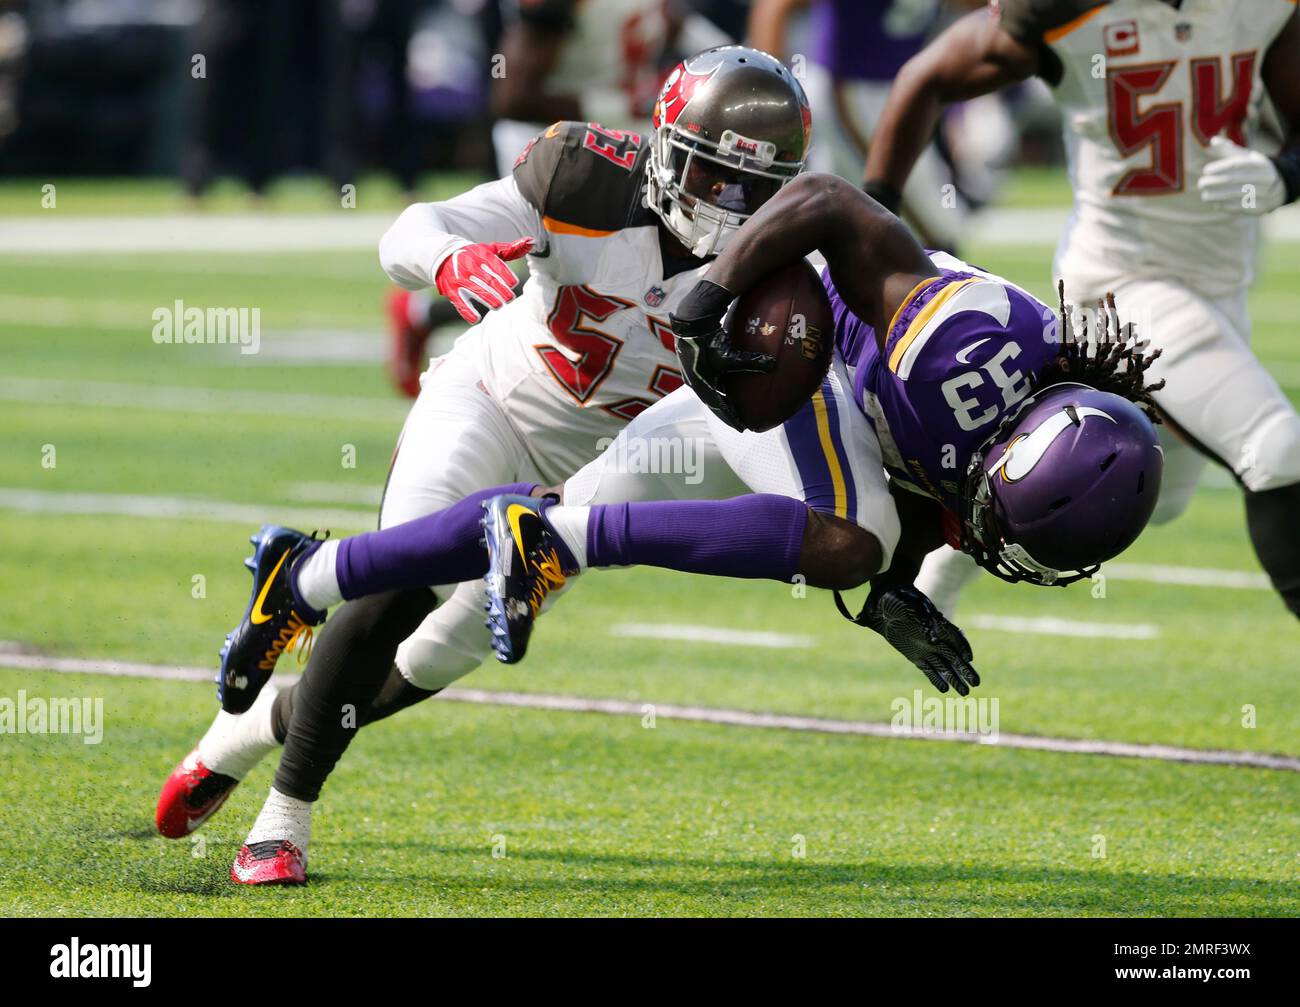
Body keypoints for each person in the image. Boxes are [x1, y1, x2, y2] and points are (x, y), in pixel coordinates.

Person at [180, 171, 1167, 883]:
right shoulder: (964, 342)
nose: (987, 540)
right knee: (843, 534)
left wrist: (888, 594)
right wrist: (714, 290)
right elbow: (831, 200)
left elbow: (922, 506)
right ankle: (509, 555)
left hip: (767, 426)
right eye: (999, 524)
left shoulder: (1010, 449)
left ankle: (293, 609)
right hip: (787, 352)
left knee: (459, 625)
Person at [155, 46, 814, 884]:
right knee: (399, 582)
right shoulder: (584, 179)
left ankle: (241, 737)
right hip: (493, 401)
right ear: (666, 146)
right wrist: (448, 261)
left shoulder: (788, 275)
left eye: (753, 188)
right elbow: (411, 229)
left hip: (582, 478)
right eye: (713, 177)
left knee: (429, 661)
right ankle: (284, 820)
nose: (731, 207)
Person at [860, 0, 1300, 619]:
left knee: (1151, 490)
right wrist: (872, 222)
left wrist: (1284, 175)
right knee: (1275, 448)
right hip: (1121, 284)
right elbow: (928, 77)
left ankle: (955, 548)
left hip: (1219, 284)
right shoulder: (1068, 9)